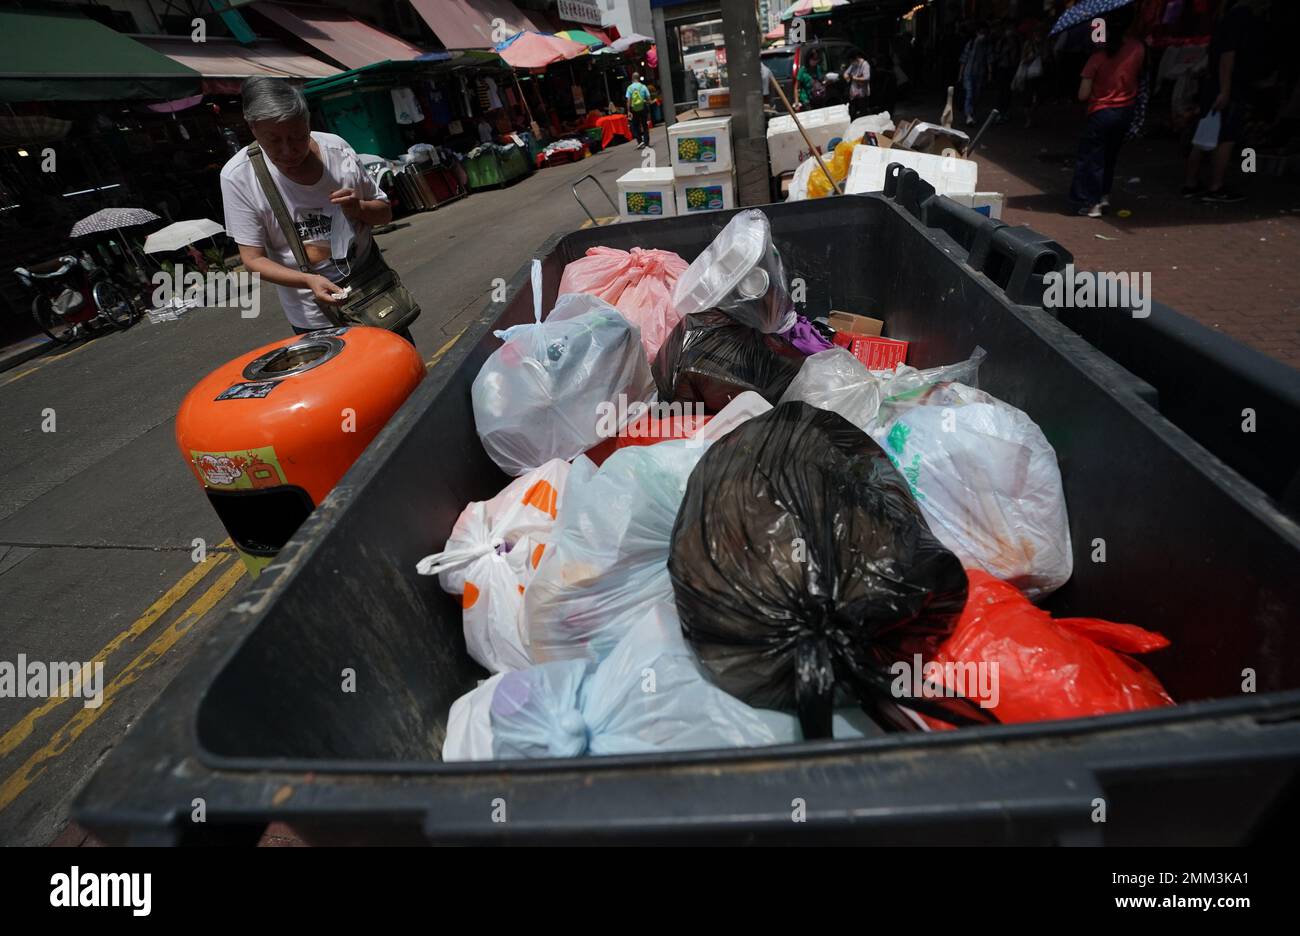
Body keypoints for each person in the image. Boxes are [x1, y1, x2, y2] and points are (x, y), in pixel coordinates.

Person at [219, 77, 406, 340]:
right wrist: (308, 280)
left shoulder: (337, 150)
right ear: (252, 128)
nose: (288, 150)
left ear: (308, 121)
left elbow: (384, 214)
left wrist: (359, 207)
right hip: (316, 319)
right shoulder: (238, 176)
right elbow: (252, 260)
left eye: (297, 136)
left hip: (376, 295)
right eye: (273, 140)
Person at [1183, 0, 1268, 202]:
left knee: (1205, 133)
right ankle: (1215, 186)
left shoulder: (1227, 18)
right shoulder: (1240, 18)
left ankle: (1191, 183)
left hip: (1217, 85)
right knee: (1225, 137)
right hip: (1226, 87)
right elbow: (1227, 56)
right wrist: (1225, 90)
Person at [1069, 10, 1146, 218]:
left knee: (1091, 158)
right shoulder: (1137, 49)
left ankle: (1089, 202)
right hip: (1125, 110)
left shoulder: (1097, 57)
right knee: (1110, 155)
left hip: (1101, 111)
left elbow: (1082, 94)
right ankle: (1103, 195)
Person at [959, 22, 991, 127]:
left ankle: (972, 114)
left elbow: (989, 60)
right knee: (969, 94)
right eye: (980, 33)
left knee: (976, 95)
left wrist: (990, 73)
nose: (982, 35)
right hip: (968, 73)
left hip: (980, 74)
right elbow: (964, 59)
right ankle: (969, 115)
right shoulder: (971, 44)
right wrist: (960, 74)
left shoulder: (986, 46)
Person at [625, 73, 651, 147]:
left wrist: (628, 111)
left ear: (632, 79)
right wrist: (646, 101)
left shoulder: (629, 88)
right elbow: (649, 98)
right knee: (644, 125)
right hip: (643, 108)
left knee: (634, 125)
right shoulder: (643, 86)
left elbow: (628, 100)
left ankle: (640, 141)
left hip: (634, 109)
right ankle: (646, 142)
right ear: (639, 78)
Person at [845, 50, 871, 119]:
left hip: (863, 93)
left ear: (856, 58)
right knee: (854, 113)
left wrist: (854, 78)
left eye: (851, 60)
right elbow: (846, 73)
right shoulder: (853, 64)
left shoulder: (865, 64)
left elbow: (867, 77)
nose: (851, 63)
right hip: (854, 94)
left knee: (863, 114)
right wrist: (847, 77)